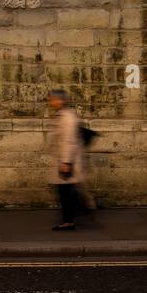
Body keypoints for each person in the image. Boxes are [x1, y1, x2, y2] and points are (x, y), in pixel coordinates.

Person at [47, 89, 88, 231]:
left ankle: (69, 221)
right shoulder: (62, 115)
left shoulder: (67, 117)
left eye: (53, 99)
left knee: (65, 192)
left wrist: (65, 162)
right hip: (63, 160)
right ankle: (73, 216)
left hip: (67, 161)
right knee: (65, 191)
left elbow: (68, 141)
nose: (51, 102)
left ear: (61, 100)